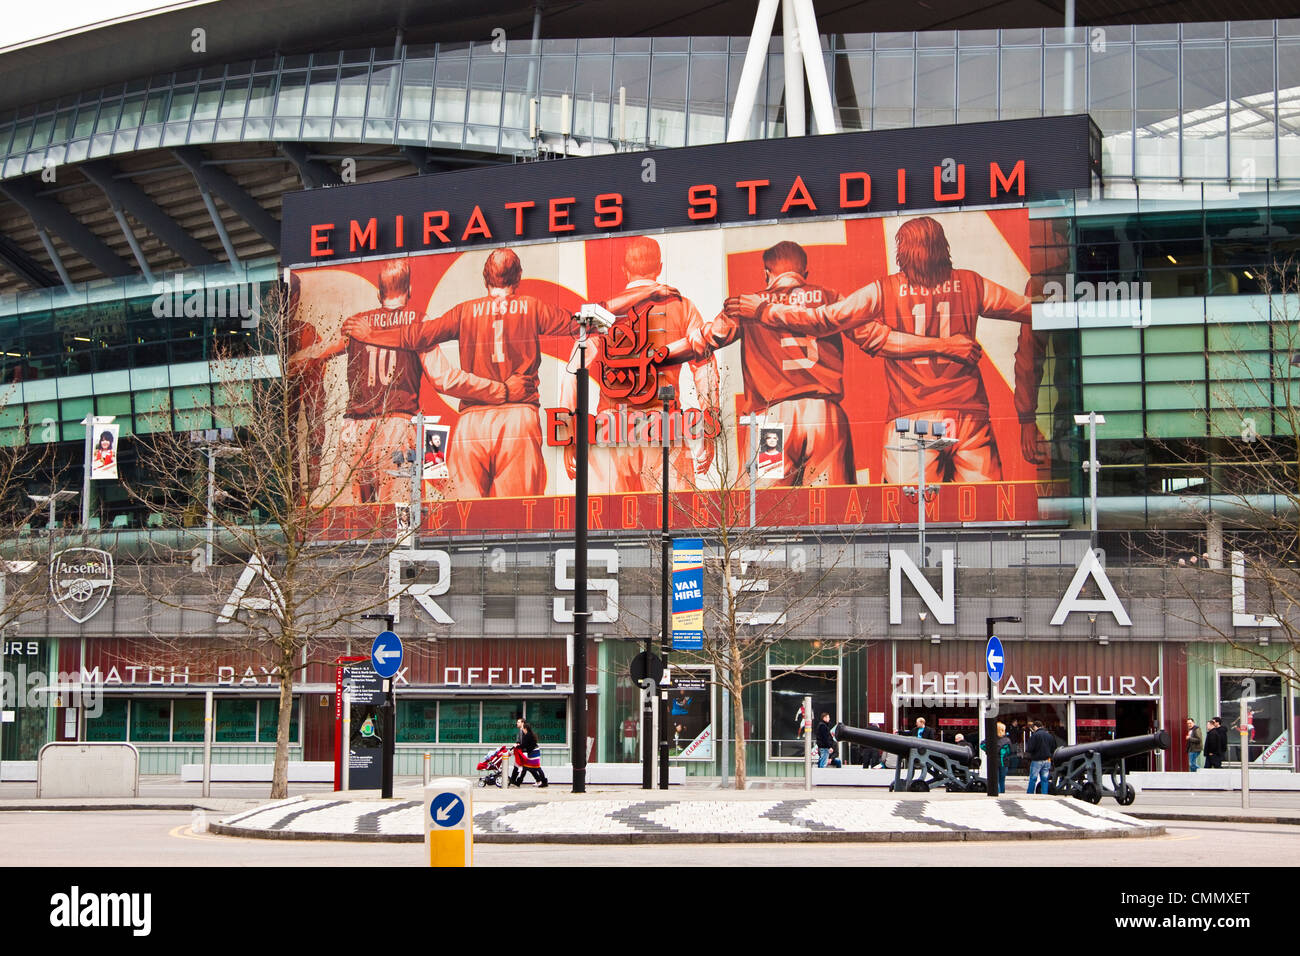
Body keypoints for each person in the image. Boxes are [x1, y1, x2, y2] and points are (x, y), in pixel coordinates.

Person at [725, 217, 1035, 483]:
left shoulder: (883, 290)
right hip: (970, 416)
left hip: (910, 420)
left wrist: (765, 310)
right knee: (985, 510)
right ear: (944, 248)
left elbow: (823, 319)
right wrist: (1074, 309)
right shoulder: (972, 284)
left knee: (904, 517)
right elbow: (1030, 311)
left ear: (902, 253)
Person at [666, 240, 980, 487]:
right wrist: (946, 345)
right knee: (832, 511)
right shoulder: (831, 299)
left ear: (767, 273)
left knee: (762, 514)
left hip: (773, 418)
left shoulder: (747, 303)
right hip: (825, 417)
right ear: (805, 274)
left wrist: (656, 356)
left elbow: (702, 341)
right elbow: (881, 339)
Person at [299, 258, 526, 504]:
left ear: (379, 293)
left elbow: (318, 352)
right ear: (409, 291)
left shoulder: (356, 324)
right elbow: (445, 379)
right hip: (398, 425)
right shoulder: (418, 323)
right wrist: (499, 390)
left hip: (354, 428)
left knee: (346, 520)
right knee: (402, 516)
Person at [560, 235, 719, 492]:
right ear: (659, 266)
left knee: (604, 529)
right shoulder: (683, 307)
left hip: (610, 430)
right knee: (673, 523)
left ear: (624, 269)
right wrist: (710, 425)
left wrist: (568, 432)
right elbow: (705, 367)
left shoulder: (604, 314)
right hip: (665, 427)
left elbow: (572, 372)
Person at [509, 718, 548, 788]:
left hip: (533, 752)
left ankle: (518, 782)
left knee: (533, 767)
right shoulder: (530, 734)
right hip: (534, 751)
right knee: (531, 768)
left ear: (525, 728)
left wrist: (517, 747)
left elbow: (524, 745)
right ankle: (542, 781)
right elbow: (525, 744)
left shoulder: (527, 735)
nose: (523, 730)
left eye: (523, 729)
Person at [1025, 720, 1055, 794]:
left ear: (1035, 727)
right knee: (1045, 779)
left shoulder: (1035, 735)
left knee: (1033, 778)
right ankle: (1044, 794)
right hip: (1047, 760)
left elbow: (1030, 748)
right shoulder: (1049, 735)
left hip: (1036, 760)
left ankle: (1030, 793)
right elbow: (1053, 747)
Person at [981, 721, 1011, 794]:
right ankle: (1002, 793)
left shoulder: (990, 738)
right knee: (1002, 780)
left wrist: (988, 752)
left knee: (995, 780)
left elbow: (982, 745)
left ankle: (996, 792)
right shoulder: (1006, 740)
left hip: (993, 761)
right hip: (1003, 762)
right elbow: (1008, 752)